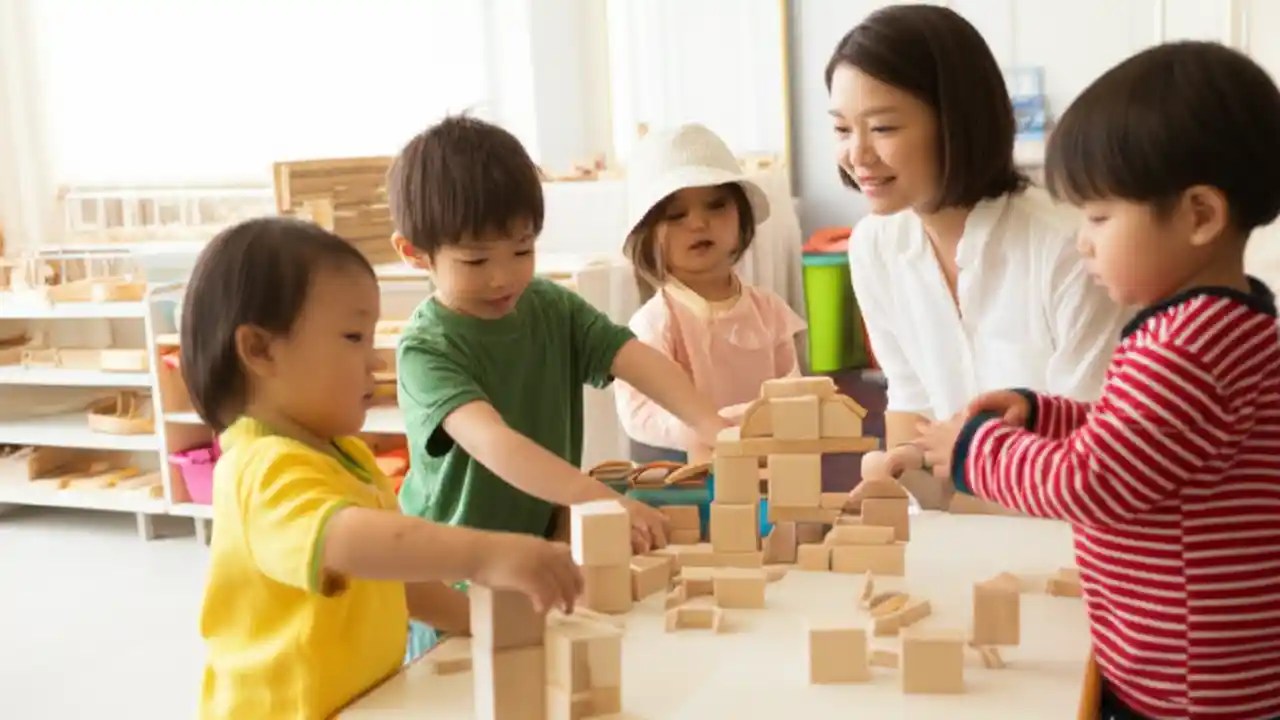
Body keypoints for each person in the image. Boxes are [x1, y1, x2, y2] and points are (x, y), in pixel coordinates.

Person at [916, 41, 1280, 720]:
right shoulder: (1227, 321)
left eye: (1099, 218)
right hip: (1209, 661)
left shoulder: (1186, 348)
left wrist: (973, 452)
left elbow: (1091, 481)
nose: (1082, 241)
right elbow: (1147, 443)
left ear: (1200, 215)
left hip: (1187, 682)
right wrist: (1043, 413)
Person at [186, 218, 584, 719]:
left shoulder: (344, 455)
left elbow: (399, 583)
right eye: (353, 337)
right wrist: (484, 554)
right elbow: (348, 543)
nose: (374, 360)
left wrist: (484, 622)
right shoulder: (260, 468)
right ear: (261, 350)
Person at [388, 116, 729, 657]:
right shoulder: (427, 350)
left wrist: (713, 423)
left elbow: (636, 359)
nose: (504, 277)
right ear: (415, 253)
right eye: (476, 260)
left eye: (522, 250)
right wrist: (601, 500)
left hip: (535, 557)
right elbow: (495, 445)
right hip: (453, 583)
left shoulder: (550, 306)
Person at [825, 4, 1127, 501]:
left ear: (956, 122)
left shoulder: (1068, 247)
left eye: (882, 128)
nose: (857, 155)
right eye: (841, 129)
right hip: (956, 527)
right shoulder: (874, 246)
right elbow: (910, 404)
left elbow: (1092, 442)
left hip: (1069, 526)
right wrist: (894, 482)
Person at [615, 123, 807, 462]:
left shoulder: (769, 310)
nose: (699, 223)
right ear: (646, 235)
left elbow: (792, 387)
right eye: (676, 214)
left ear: (741, 217)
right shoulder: (657, 321)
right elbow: (637, 412)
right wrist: (703, 429)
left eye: (716, 205)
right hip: (690, 474)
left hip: (768, 467)